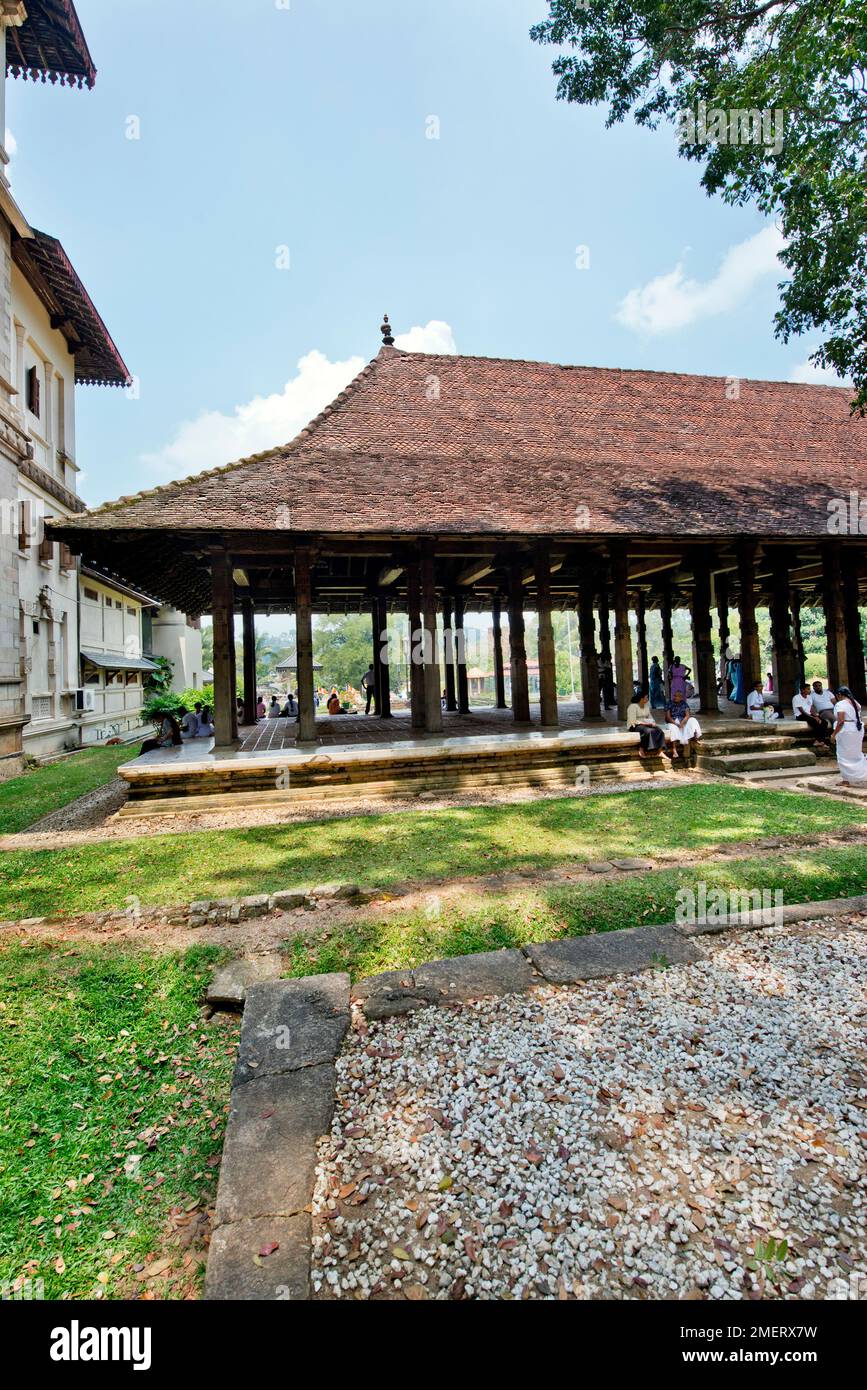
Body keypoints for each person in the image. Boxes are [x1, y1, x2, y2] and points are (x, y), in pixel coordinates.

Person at [831, 687, 867, 785]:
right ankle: (860, 774)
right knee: (856, 754)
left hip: (846, 731)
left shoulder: (840, 704)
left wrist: (833, 734)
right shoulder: (855, 702)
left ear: (839, 695)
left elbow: (841, 721)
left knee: (843, 755)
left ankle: (846, 779)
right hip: (857, 729)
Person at [664, 690, 702, 764]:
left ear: (681, 697)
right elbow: (668, 717)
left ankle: (695, 737)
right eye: (674, 696)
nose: (675, 697)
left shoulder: (684, 704)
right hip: (673, 721)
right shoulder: (669, 703)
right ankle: (674, 749)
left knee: (693, 720)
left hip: (683, 721)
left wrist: (682, 723)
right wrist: (676, 724)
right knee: (673, 729)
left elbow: (687, 715)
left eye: (677, 696)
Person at [626, 688, 665, 757]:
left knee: (659, 730)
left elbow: (650, 717)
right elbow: (633, 721)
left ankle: (660, 751)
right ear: (642, 699)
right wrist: (646, 724)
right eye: (646, 697)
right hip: (634, 726)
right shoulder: (633, 706)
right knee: (648, 731)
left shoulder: (646, 706)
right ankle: (641, 749)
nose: (648, 699)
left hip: (645, 725)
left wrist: (653, 723)